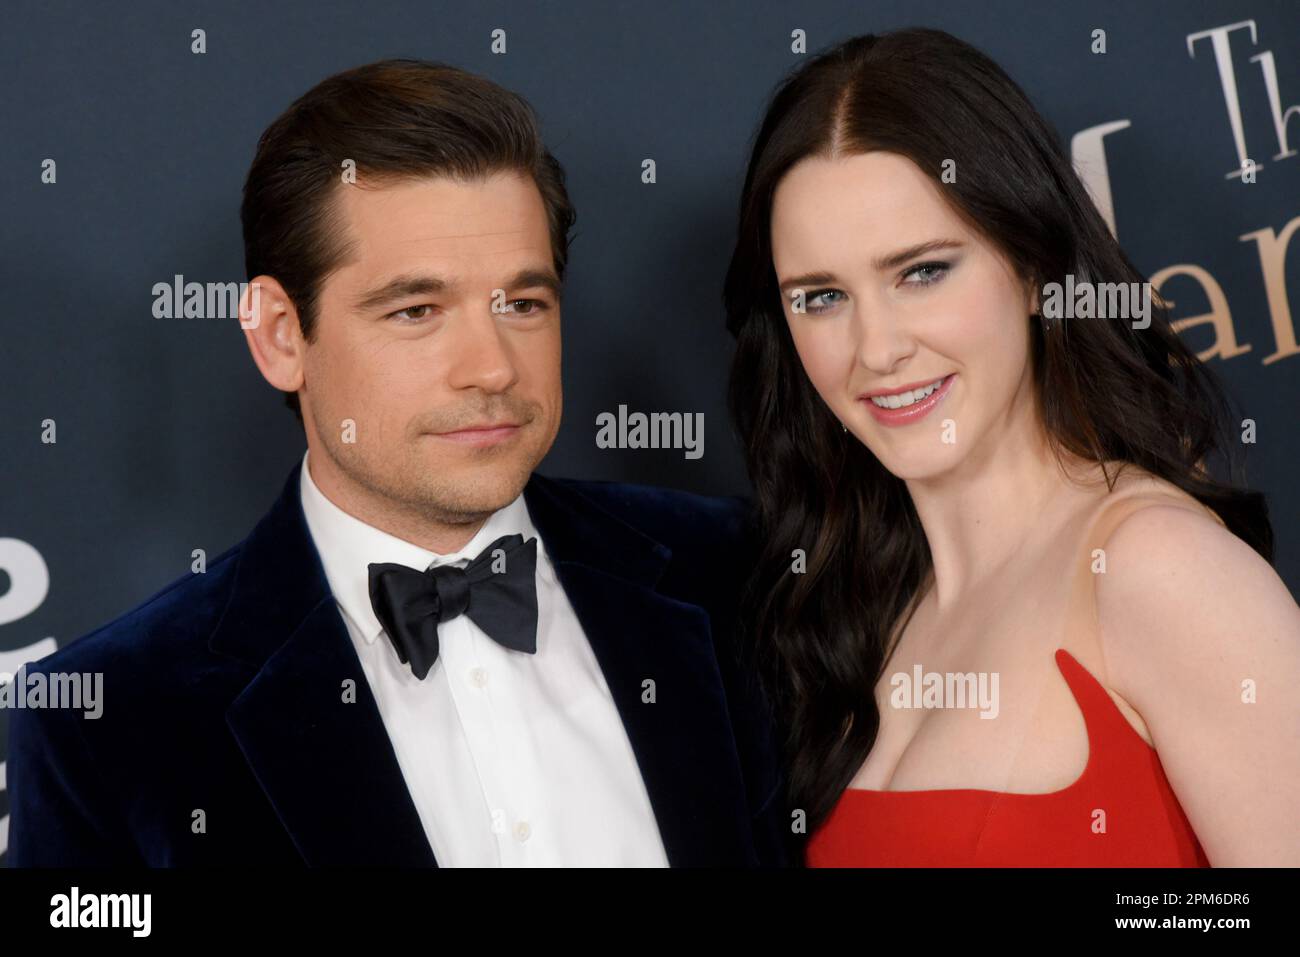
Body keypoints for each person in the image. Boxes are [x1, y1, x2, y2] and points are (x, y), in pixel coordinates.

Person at [6, 59, 789, 867]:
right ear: (280, 335)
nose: (491, 367)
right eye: (416, 311)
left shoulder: (740, 575)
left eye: (522, 303)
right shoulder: (110, 721)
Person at [723, 28, 1300, 866]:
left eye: (921, 271)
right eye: (820, 297)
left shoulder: (1155, 567)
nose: (876, 348)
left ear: (1031, 266)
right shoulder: (860, 612)